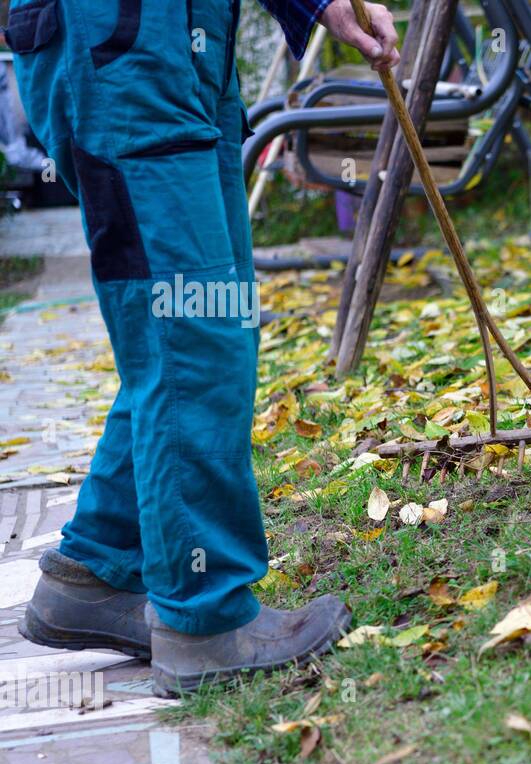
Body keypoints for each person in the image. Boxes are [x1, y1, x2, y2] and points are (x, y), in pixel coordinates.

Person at [4, 0, 398, 695]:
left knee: (205, 327)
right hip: (125, 43)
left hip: (182, 42)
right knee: (189, 341)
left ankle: (96, 570)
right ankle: (206, 619)